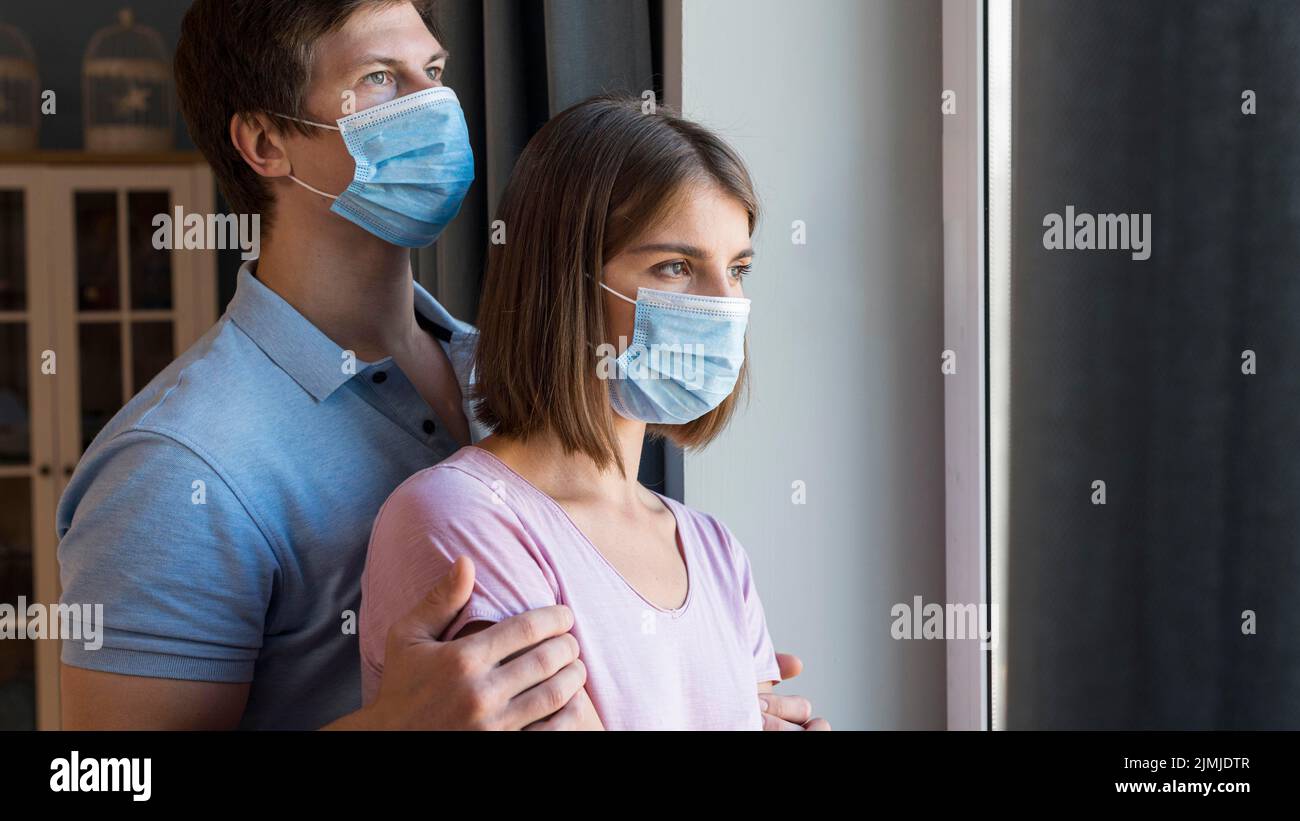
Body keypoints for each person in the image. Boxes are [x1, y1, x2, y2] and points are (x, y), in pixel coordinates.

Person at [56, 0, 821, 730]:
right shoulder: (178, 463)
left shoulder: (523, 374)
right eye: (382, 79)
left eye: (435, 70)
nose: (436, 108)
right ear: (265, 142)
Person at [361, 95, 829, 730]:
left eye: (738, 269)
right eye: (676, 266)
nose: (725, 306)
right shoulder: (463, 517)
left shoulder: (715, 552)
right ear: (566, 280)